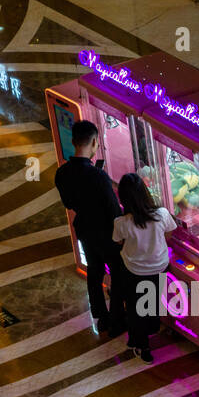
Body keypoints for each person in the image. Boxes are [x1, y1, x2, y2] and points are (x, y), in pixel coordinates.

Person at [53, 120, 124, 336]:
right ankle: (118, 318)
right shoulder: (98, 176)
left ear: (73, 141)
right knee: (118, 273)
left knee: (94, 273)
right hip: (107, 234)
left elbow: (68, 204)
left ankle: (102, 318)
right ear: (94, 142)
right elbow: (114, 211)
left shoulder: (62, 174)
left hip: (84, 230)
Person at [110, 173, 176, 363]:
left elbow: (118, 241)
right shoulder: (162, 214)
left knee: (135, 308)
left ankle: (141, 345)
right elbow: (170, 234)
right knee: (153, 302)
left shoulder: (121, 223)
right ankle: (151, 328)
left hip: (134, 271)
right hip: (159, 268)